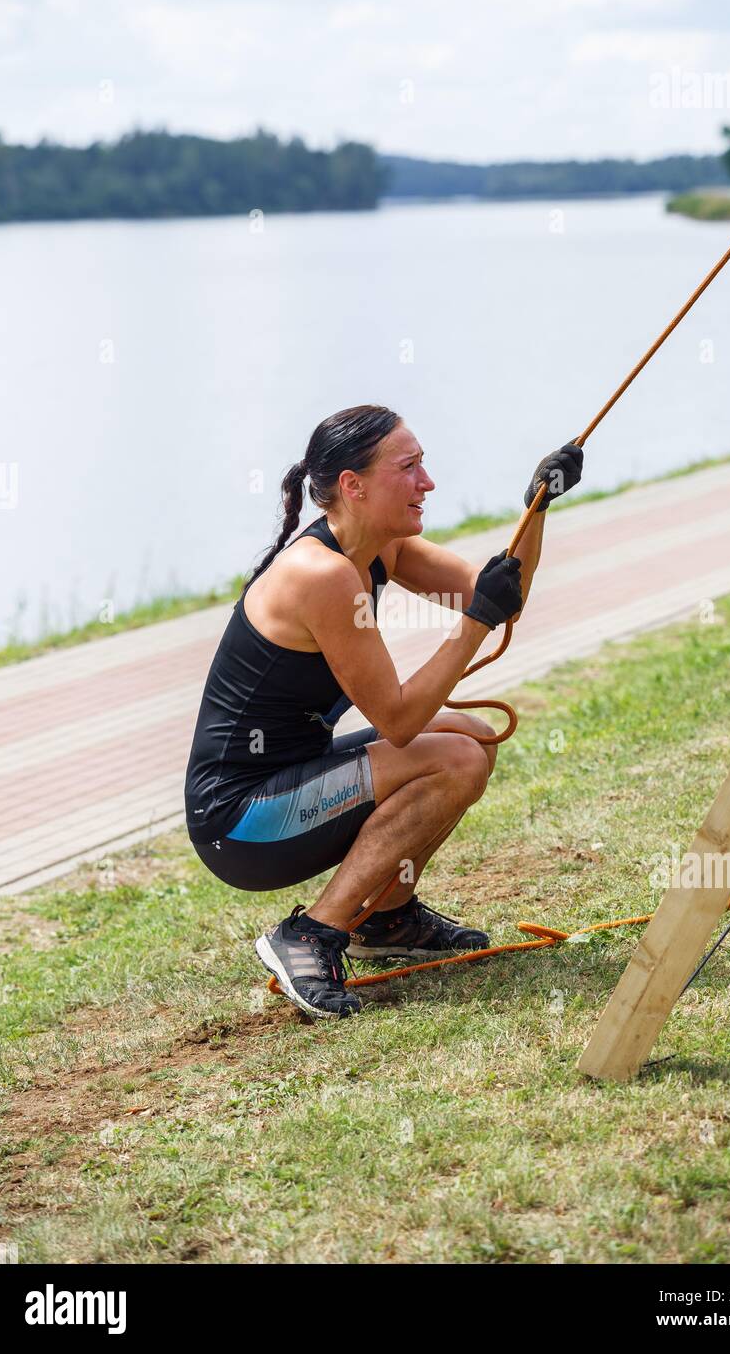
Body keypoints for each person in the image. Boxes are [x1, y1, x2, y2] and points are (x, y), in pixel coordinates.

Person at [185, 405, 582, 1019]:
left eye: (423, 464)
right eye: (410, 467)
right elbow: (399, 718)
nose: (427, 482)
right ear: (353, 485)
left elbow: (501, 595)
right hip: (238, 820)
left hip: (293, 782)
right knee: (452, 759)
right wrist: (475, 620)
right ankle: (311, 934)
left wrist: (536, 509)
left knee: (470, 735)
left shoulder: (382, 550)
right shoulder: (320, 576)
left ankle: (388, 917)